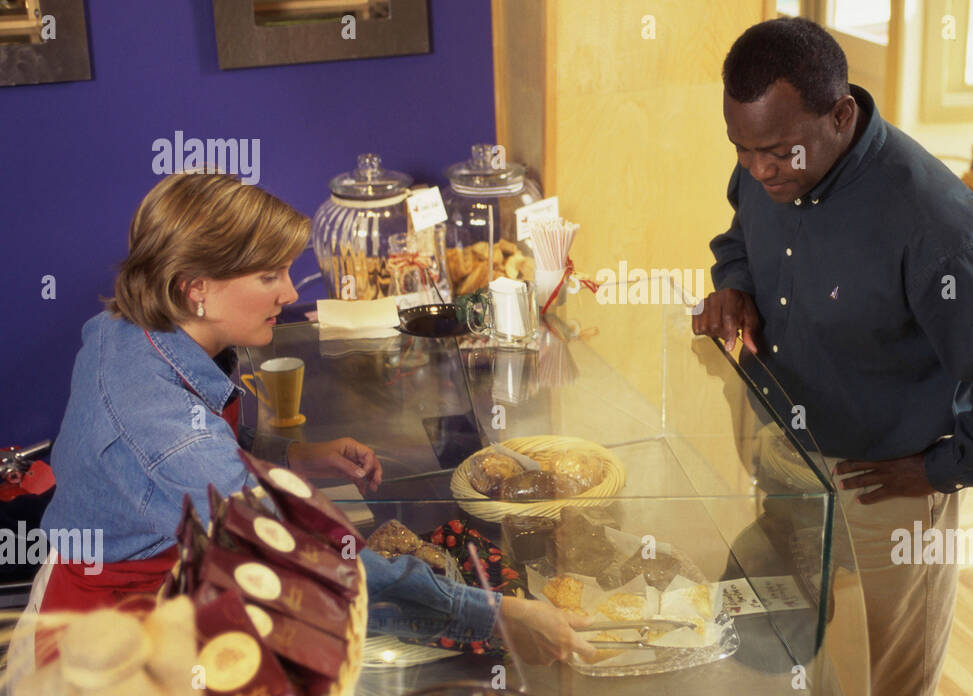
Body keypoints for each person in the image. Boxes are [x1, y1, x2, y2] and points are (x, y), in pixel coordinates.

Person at [693, 17, 973, 696]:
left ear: (840, 114)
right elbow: (741, 233)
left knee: (876, 695)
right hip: (789, 465)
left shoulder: (936, 225)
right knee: (789, 668)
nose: (759, 171)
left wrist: (939, 470)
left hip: (888, 493)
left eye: (776, 152)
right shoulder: (771, 158)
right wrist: (735, 282)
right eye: (740, 149)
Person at [26, 172, 593, 668]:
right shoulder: (169, 435)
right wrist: (496, 615)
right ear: (195, 288)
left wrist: (291, 455)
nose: (291, 292)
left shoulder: (126, 329)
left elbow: (187, 450)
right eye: (269, 277)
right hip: (117, 641)